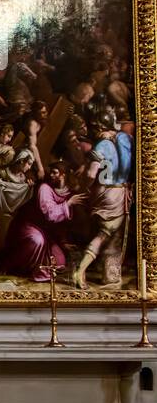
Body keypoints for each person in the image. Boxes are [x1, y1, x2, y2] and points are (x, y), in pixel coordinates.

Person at [72, 110, 133, 289]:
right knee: (111, 235)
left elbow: (92, 174)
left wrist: (84, 187)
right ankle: (105, 273)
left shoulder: (102, 145)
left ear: (99, 126)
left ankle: (86, 271)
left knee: (105, 235)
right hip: (119, 192)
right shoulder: (126, 140)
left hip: (105, 193)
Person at [0, 162, 84, 281]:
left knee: (60, 262)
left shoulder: (68, 193)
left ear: (63, 175)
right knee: (37, 241)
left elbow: (62, 224)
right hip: (29, 225)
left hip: (47, 232)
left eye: (55, 173)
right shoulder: (45, 188)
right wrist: (68, 204)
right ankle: (12, 266)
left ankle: (32, 269)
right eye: (52, 172)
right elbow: (50, 215)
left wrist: (63, 241)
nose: (52, 175)